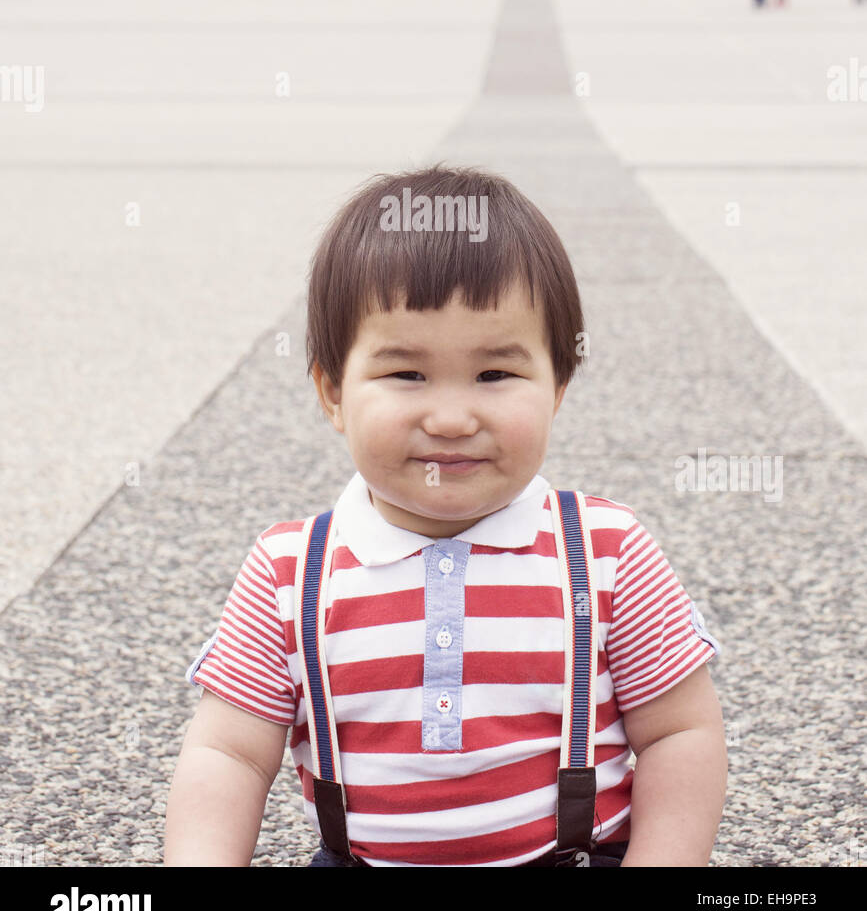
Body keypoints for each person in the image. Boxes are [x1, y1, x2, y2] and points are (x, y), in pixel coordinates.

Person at [165, 164, 727, 869]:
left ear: (557, 386)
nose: (453, 417)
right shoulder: (291, 572)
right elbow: (229, 755)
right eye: (406, 374)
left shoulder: (605, 552)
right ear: (332, 391)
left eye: (495, 375)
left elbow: (680, 733)